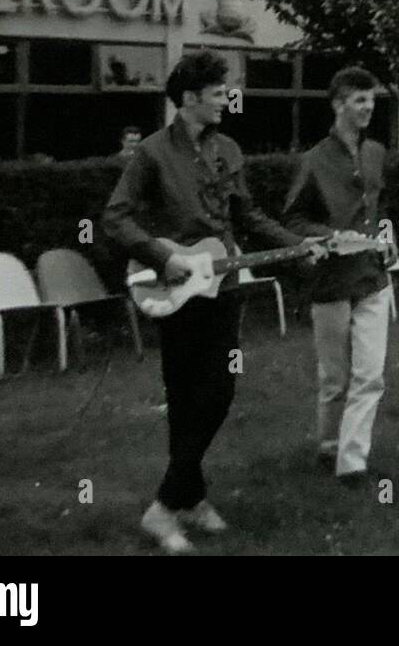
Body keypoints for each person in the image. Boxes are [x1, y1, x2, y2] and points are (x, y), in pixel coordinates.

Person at [103, 50, 325, 553]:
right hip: (178, 292)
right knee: (184, 398)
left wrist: (297, 249)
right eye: (218, 91)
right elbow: (115, 217)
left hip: (224, 288)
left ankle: (169, 503)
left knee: (219, 390)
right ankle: (187, 501)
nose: (227, 98)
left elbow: (247, 216)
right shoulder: (153, 154)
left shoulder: (228, 148)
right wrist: (161, 254)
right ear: (188, 98)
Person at [282, 66, 395, 489]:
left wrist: (386, 234)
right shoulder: (313, 161)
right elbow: (292, 218)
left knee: (371, 374)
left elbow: (378, 208)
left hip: (372, 278)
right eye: (359, 100)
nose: (367, 108)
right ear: (337, 105)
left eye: (371, 100)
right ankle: (328, 446)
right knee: (335, 378)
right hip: (330, 281)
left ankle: (352, 463)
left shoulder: (376, 153)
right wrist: (330, 236)